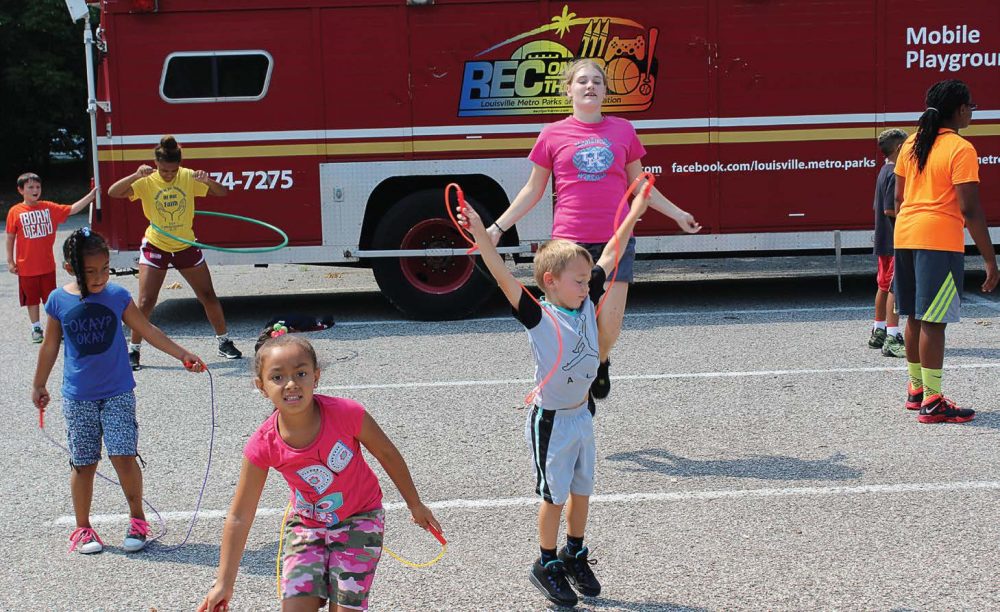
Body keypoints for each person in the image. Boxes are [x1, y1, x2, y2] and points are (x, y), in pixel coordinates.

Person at [458, 181, 651, 607]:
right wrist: (480, 233)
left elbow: (612, 251)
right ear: (551, 281)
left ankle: (573, 552)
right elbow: (501, 274)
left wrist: (634, 212)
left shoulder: (584, 301)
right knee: (554, 496)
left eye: (587, 280)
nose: (587, 285)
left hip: (582, 415)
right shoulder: (539, 316)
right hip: (552, 422)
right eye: (579, 280)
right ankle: (545, 562)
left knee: (582, 491)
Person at [487, 58, 700, 401]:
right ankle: (576, 389)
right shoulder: (552, 134)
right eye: (582, 81)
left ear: (605, 92)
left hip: (616, 240)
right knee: (571, 326)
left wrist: (677, 214)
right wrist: (498, 227)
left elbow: (640, 184)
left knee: (609, 327)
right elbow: (533, 189)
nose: (590, 86)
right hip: (569, 244)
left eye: (597, 82)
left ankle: (599, 362)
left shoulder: (623, 130)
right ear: (569, 90)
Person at [198, 327, 441, 612]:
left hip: (360, 518)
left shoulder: (347, 413)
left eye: (300, 373)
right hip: (307, 526)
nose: (291, 384)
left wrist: (415, 504)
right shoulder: (263, 444)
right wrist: (223, 583)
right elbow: (240, 516)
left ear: (316, 376)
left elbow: (386, 453)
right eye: (277, 377)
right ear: (261, 386)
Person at [31, 228, 205, 554]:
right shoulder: (58, 300)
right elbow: (50, 344)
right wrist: (39, 383)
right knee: (83, 463)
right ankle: (83, 527)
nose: (100, 277)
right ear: (70, 268)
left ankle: (137, 518)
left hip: (118, 393)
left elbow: (147, 329)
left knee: (123, 455)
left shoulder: (117, 296)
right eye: (90, 271)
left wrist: (182, 353)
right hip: (78, 396)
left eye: (105, 269)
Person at [893, 79, 998, 423]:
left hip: (905, 235)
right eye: (971, 107)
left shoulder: (911, 144)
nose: (972, 113)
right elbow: (970, 209)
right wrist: (989, 258)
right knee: (934, 321)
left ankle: (916, 391)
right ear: (961, 109)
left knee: (914, 315)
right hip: (938, 240)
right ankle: (934, 401)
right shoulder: (960, 148)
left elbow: (899, 198)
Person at [107, 135, 241, 370]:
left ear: (179, 165)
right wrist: (135, 175)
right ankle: (133, 350)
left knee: (207, 295)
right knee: (146, 301)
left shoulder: (188, 176)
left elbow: (222, 193)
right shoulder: (147, 180)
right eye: (164, 171)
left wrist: (207, 180)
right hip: (156, 244)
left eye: (173, 170)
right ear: (156, 164)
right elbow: (112, 192)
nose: (169, 175)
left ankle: (224, 341)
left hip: (185, 244)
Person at [6, 172, 96, 343]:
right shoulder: (15, 211)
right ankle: (36, 327)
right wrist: (10, 261)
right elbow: (10, 238)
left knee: (50, 299)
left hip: (47, 266)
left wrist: (90, 196)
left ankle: (55, 328)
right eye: (30, 187)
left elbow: (72, 209)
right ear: (20, 190)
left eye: (38, 187)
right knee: (31, 300)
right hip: (26, 267)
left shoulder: (48, 208)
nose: (35, 190)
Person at [869, 129, 908, 357]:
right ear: (899, 148)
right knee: (895, 288)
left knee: (883, 286)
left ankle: (879, 330)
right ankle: (893, 337)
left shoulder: (883, 170)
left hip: (883, 239)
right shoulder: (895, 172)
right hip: (895, 239)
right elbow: (889, 208)